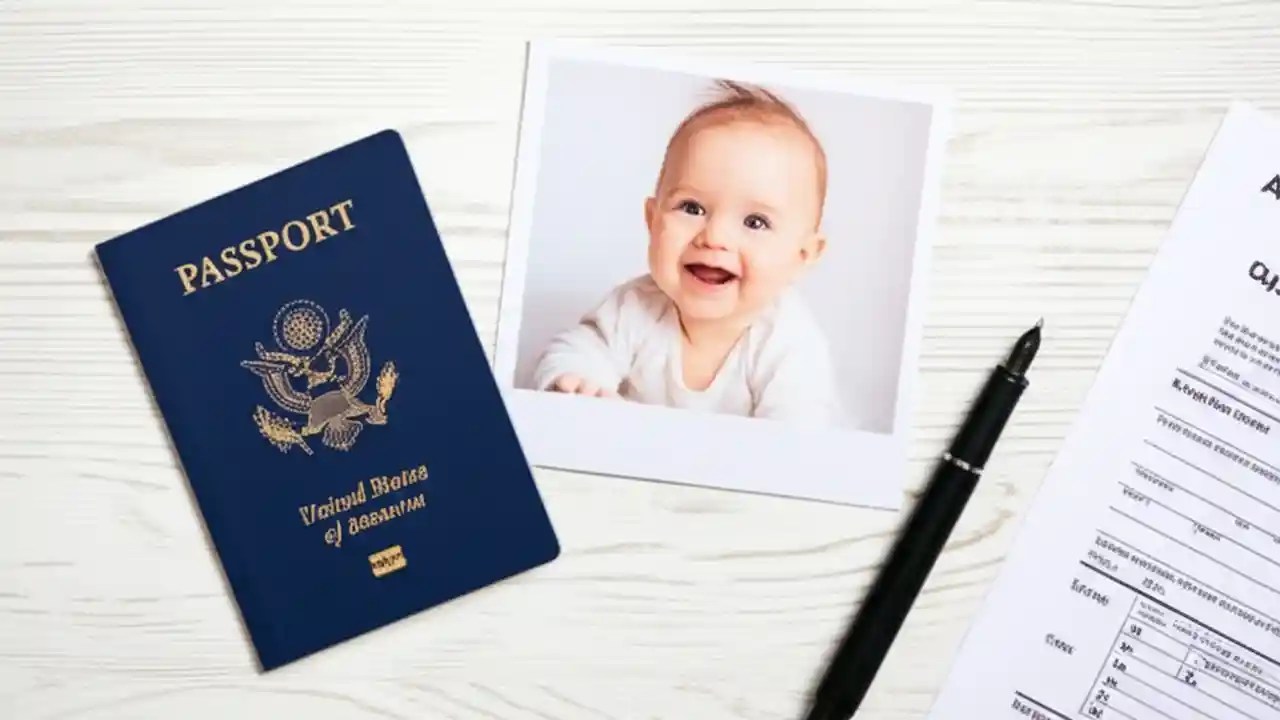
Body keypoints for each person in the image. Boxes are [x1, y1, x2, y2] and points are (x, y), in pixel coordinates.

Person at [532, 80, 844, 425]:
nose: (714, 237)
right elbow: (578, 351)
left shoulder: (789, 344)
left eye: (755, 222)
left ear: (803, 255)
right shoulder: (635, 308)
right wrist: (578, 383)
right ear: (652, 220)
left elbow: (797, 435)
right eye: (692, 208)